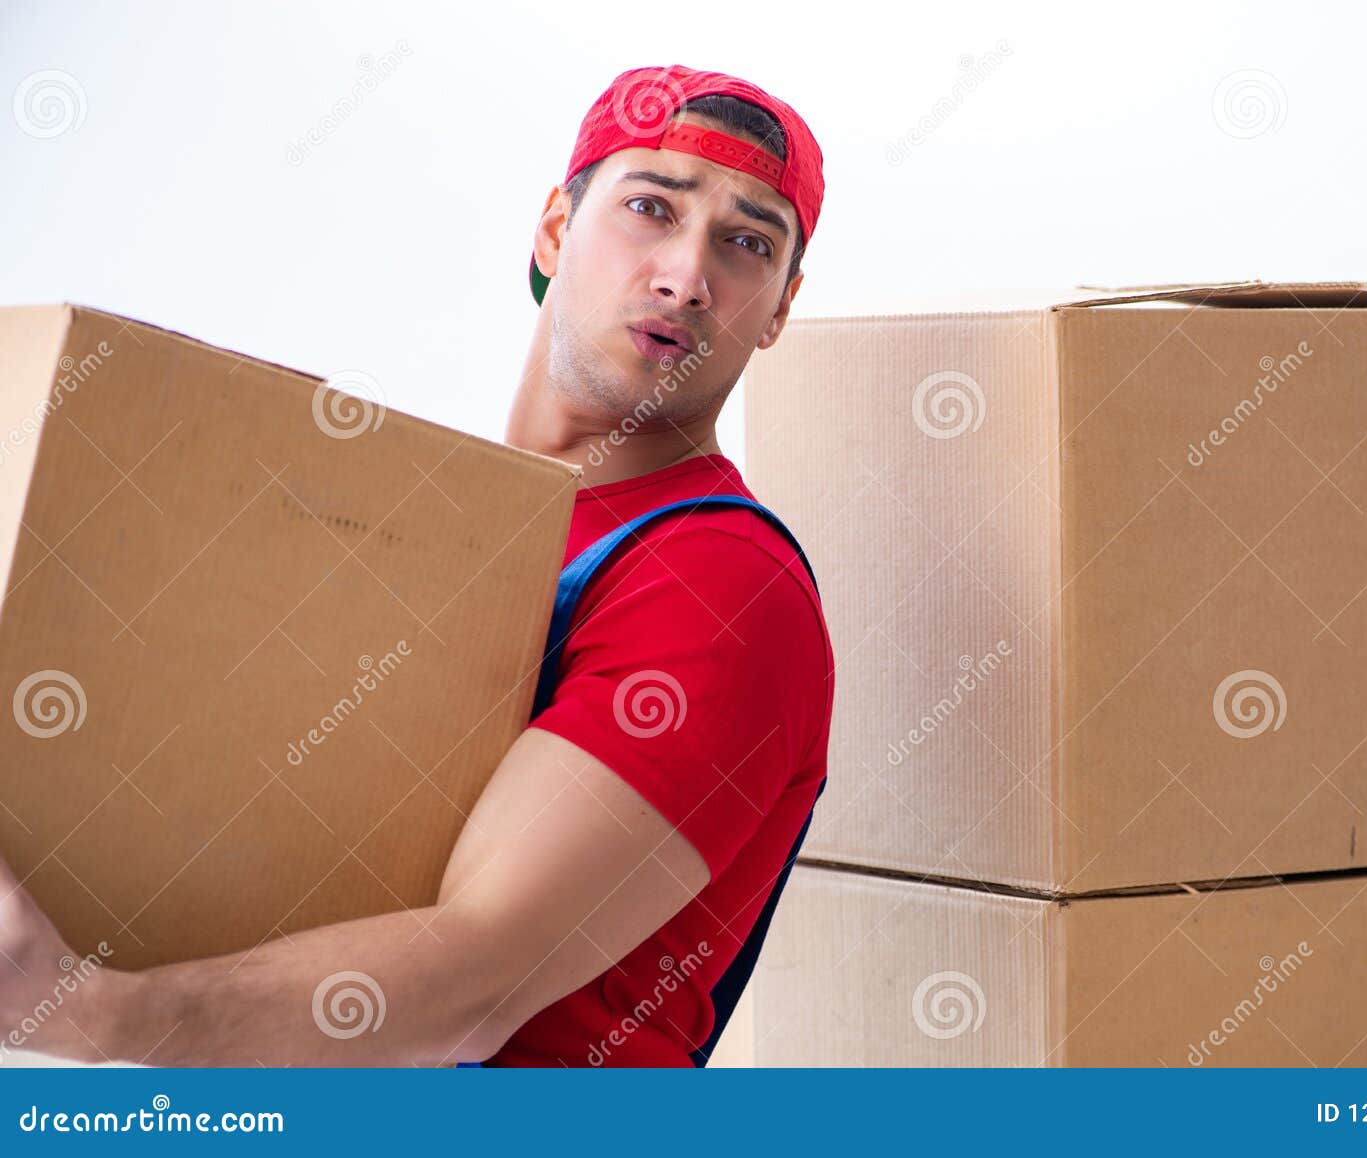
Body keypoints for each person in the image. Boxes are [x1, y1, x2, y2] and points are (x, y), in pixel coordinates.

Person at [0, 63, 833, 1068]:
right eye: (650, 207)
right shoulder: (430, 529)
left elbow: (478, 981)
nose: (686, 276)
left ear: (779, 308)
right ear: (557, 231)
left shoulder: (719, 579)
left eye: (747, 243)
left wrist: (91, 1013)